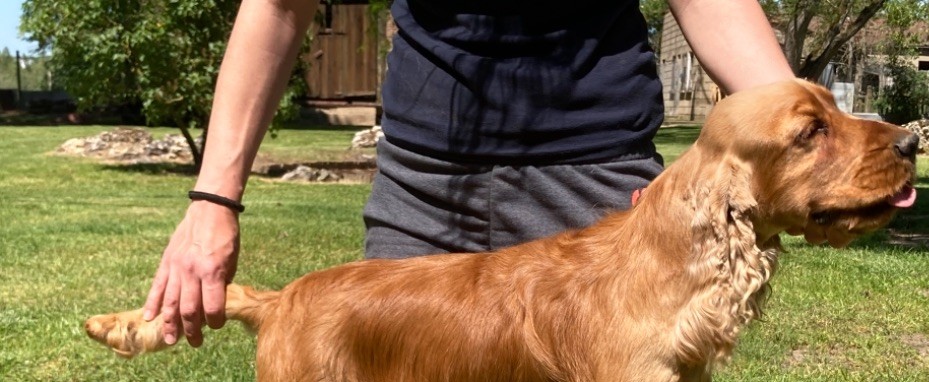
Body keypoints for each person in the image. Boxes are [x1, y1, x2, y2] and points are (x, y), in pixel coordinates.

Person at [143, 0, 794, 348]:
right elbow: (281, 7)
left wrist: (803, 139)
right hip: (427, 182)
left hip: (596, 177)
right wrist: (212, 200)